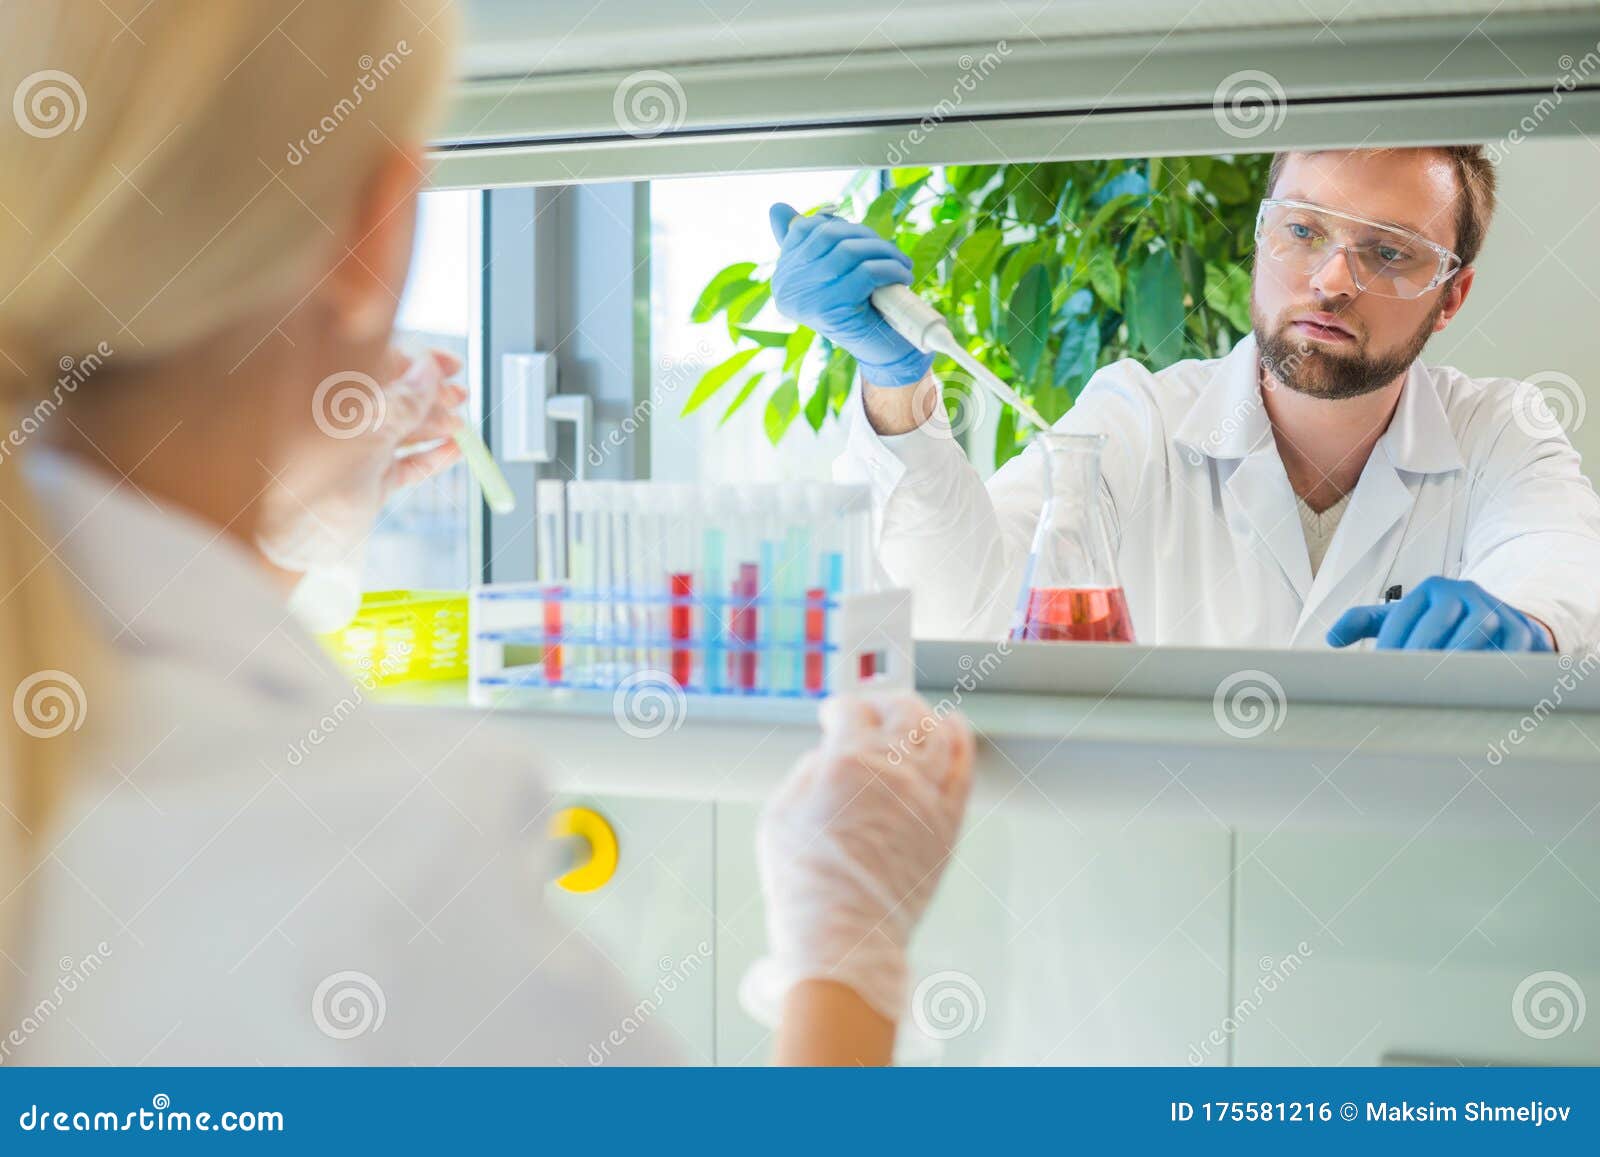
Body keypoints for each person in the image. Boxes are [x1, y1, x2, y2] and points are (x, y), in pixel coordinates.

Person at [0, 1, 972, 1066]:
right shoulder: (375, 857)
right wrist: (850, 943)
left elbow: (116, 637)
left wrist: (287, 518)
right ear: (379, 233)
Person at [770, 146, 1600, 651]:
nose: (1331, 280)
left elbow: (1558, 564)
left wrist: (1526, 621)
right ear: (1261, 235)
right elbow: (966, 613)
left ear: (1450, 297)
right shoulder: (1137, 419)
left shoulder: (1499, 431)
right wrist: (894, 385)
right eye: (1303, 230)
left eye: (1389, 252)